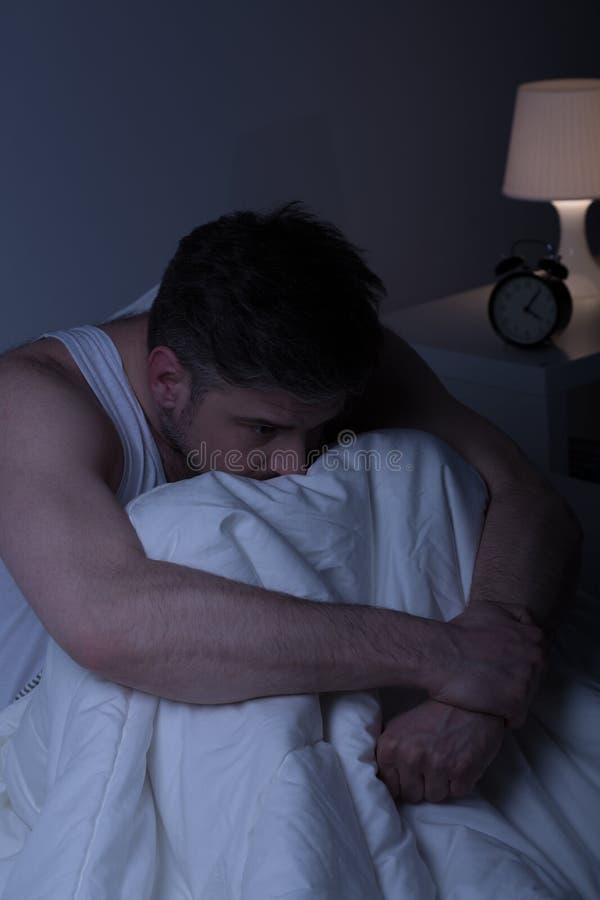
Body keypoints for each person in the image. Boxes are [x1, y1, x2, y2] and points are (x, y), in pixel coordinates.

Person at [0, 203, 580, 804]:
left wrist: (483, 698)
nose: (294, 463)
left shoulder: (319, 358)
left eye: (320, 429)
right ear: (167, 381)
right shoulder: (34, 403)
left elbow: (526, 494)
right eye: (262, 430)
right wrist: (448, 655)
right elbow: (111, 624)